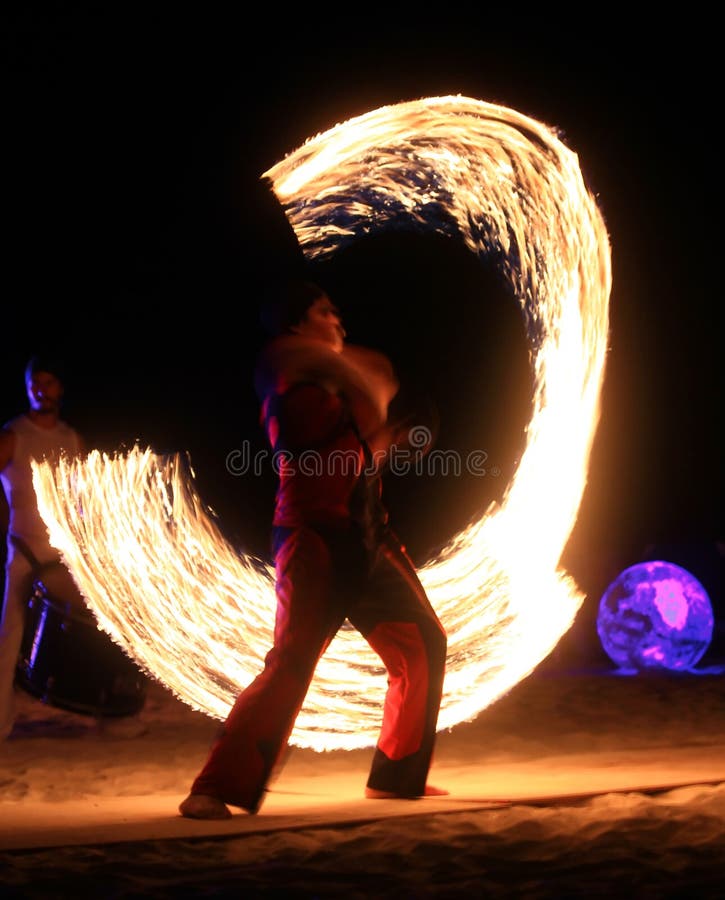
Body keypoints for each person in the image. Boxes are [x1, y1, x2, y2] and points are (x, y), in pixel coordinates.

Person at [180, 281, 448, 818]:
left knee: (423, 643)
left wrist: (387, 441)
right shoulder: (282, 368)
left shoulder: (329, 380)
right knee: (292, 662)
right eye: (328, 313)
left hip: (368, 536)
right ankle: (212, 788)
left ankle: (396, 776)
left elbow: (362, 436)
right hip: (315, 541)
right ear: (297, 324)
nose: (340, 324)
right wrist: (369, 387)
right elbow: (363, 385)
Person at [0, 355, 84, 740]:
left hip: (60, 553)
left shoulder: (70, 439)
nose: (40, 390)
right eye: (34, 382)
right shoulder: (13, 435)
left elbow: (81, 496)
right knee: (10, 635)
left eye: (48, 383)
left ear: (60, 389)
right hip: (23, 550)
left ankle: (97, 709)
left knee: (87, 628)